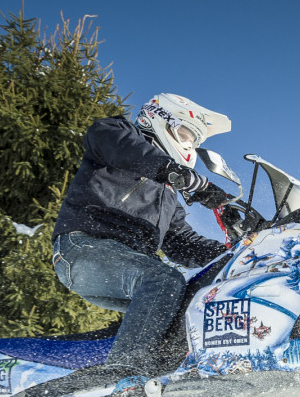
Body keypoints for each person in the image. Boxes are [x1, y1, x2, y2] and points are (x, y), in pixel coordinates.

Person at [52, 93, 233, 378]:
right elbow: (126, 149)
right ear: (160, 119)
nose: (188, 145)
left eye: (194, 141)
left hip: (126, 262)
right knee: (163, 279)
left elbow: (182, 243)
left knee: (189, 295)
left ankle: (166, 375)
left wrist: (233, 251)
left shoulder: (167, 195)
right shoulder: (116, 133)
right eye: (185, 134)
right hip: (82, 247)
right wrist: (172, 171)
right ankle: (126, 377)